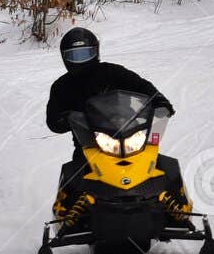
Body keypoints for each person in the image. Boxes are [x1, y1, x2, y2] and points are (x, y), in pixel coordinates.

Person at [46, 27, 189, 224]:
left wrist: (160, 102)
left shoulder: (113, 72)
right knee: (76, 172)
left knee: (160, 163)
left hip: (127, 134)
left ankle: (177, 207)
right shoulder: (61, 86)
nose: (81, 60)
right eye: (75, 56)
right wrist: (63, 119)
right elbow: (52, 119)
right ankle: (68, 217)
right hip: (89, 144)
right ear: (65, 58)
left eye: (85, 53)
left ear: (95, 52)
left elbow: (143, 87)